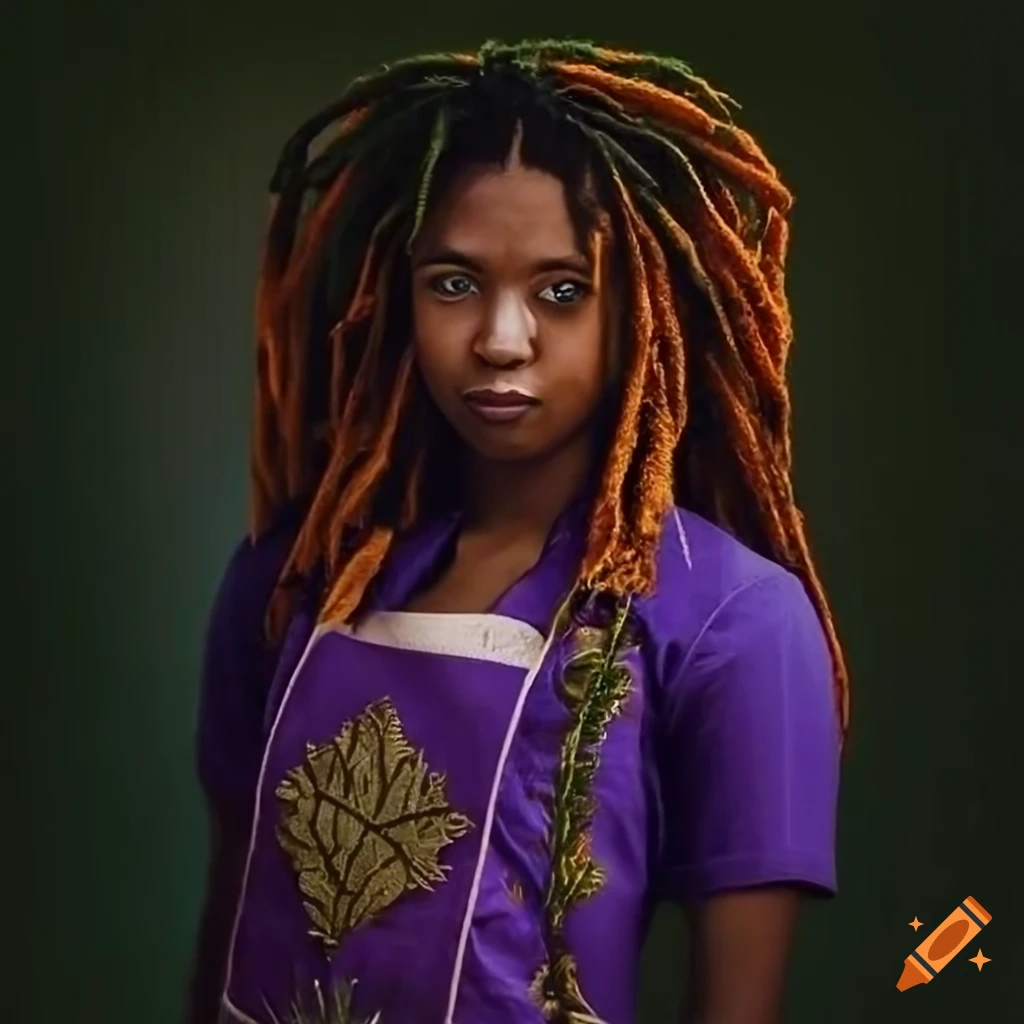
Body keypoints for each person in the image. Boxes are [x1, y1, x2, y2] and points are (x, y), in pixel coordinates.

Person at [189, 38, 848, 1024]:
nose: (501, 338)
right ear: (390, 294)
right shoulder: (291, 577)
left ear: (644, 305)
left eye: (561, 290)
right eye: (453, 282)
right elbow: (228, 927)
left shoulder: (736, 623)